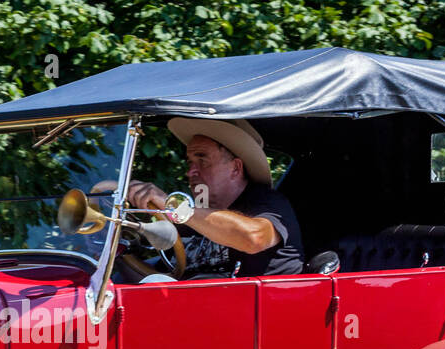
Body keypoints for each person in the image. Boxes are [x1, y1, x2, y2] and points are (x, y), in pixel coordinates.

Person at [94, 118, 304, 277]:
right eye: (189, 163)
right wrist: (112, 244)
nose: (190, 172)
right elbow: (161, 275)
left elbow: (253, 238)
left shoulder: (269, 204)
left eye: (202, 161)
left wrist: (176, 208)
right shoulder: (195, 218)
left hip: (257, 325)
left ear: (235, 168)